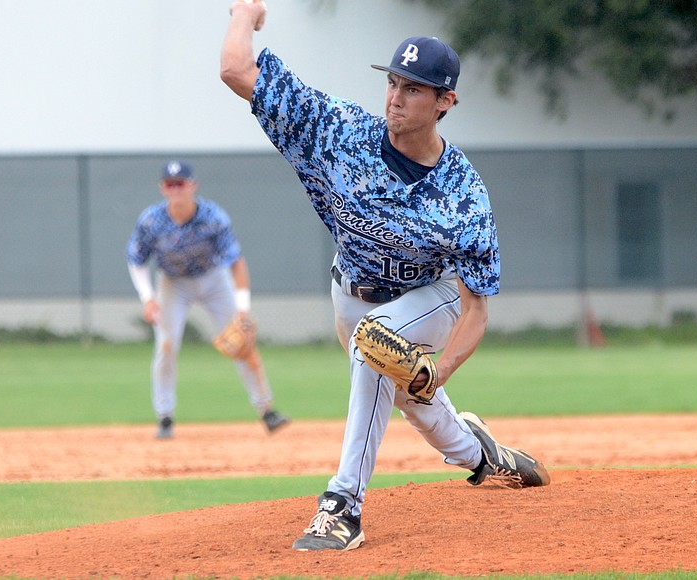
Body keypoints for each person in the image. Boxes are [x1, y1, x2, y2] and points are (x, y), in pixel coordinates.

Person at [220, 1, 550, 551]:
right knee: (413, 403)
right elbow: (236, 70)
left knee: (376, 347)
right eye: (393, 82)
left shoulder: (462, 195)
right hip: (349, 293)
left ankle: (342, 505)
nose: (396, 97)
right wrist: (245, 12)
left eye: (414, 88)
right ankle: (482, 454)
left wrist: (441, 368)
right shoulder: (340, 132)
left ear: (446, 100)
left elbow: (476, 309)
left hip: (434, 296)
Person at [126, 159, 290, 439]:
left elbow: (236, 262)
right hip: (173, 282)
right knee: (166, 345)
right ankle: (165, 417)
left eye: (181, 183)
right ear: (163, 188)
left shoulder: (214, 216)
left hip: (214, 279)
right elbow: (136, 259)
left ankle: (267, 411)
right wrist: (148, 298)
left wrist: (242, 310)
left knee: (243, 342)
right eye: (170, 184)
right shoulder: (151, 220)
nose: (176, 189)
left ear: (193, 185)